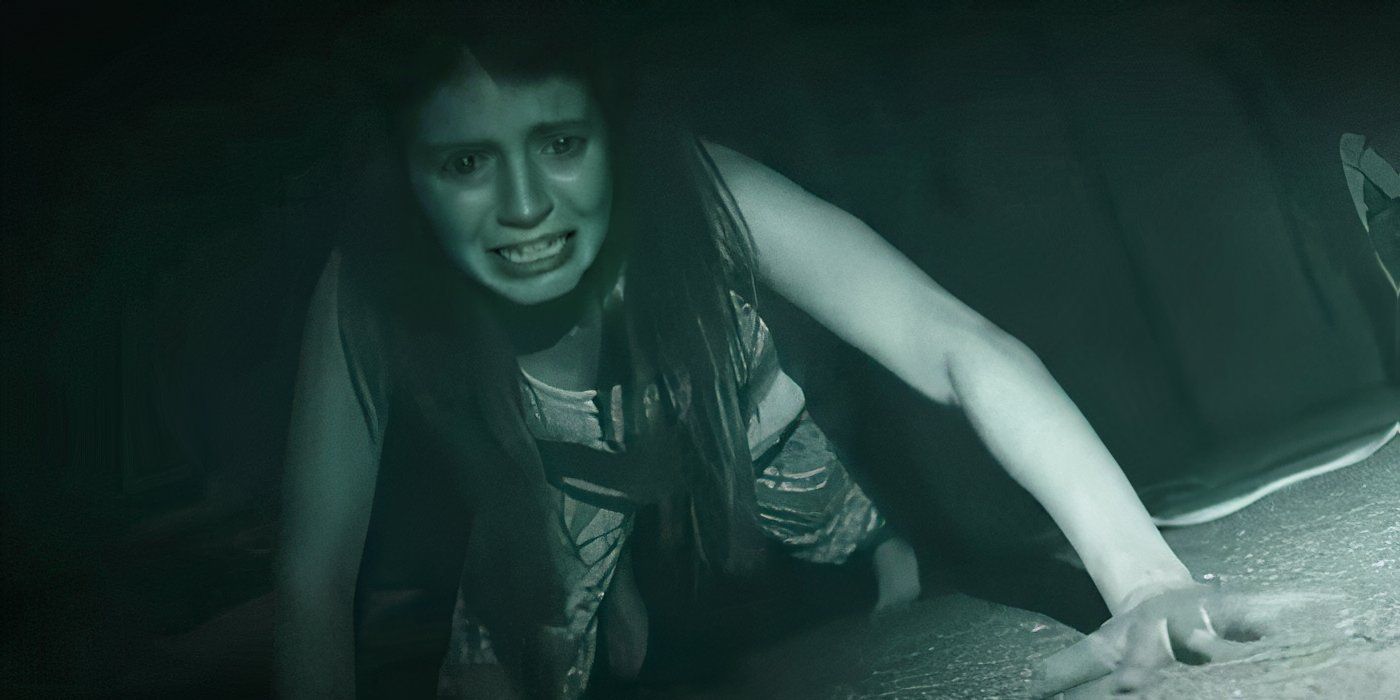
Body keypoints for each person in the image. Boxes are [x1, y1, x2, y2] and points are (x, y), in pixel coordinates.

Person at [275, 4, 1270, 698]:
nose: (527, 205)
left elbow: (952, 342)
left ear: (612, 138)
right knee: (499, 672)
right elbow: (316, 573)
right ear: (407, 177)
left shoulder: (700, 191)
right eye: (465, 162)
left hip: (740, 408)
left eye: (562, 144)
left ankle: (873, 544)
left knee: (852, 529)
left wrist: (1143, 580)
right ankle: (614, 592)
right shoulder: (365, 283)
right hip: (565, 476)